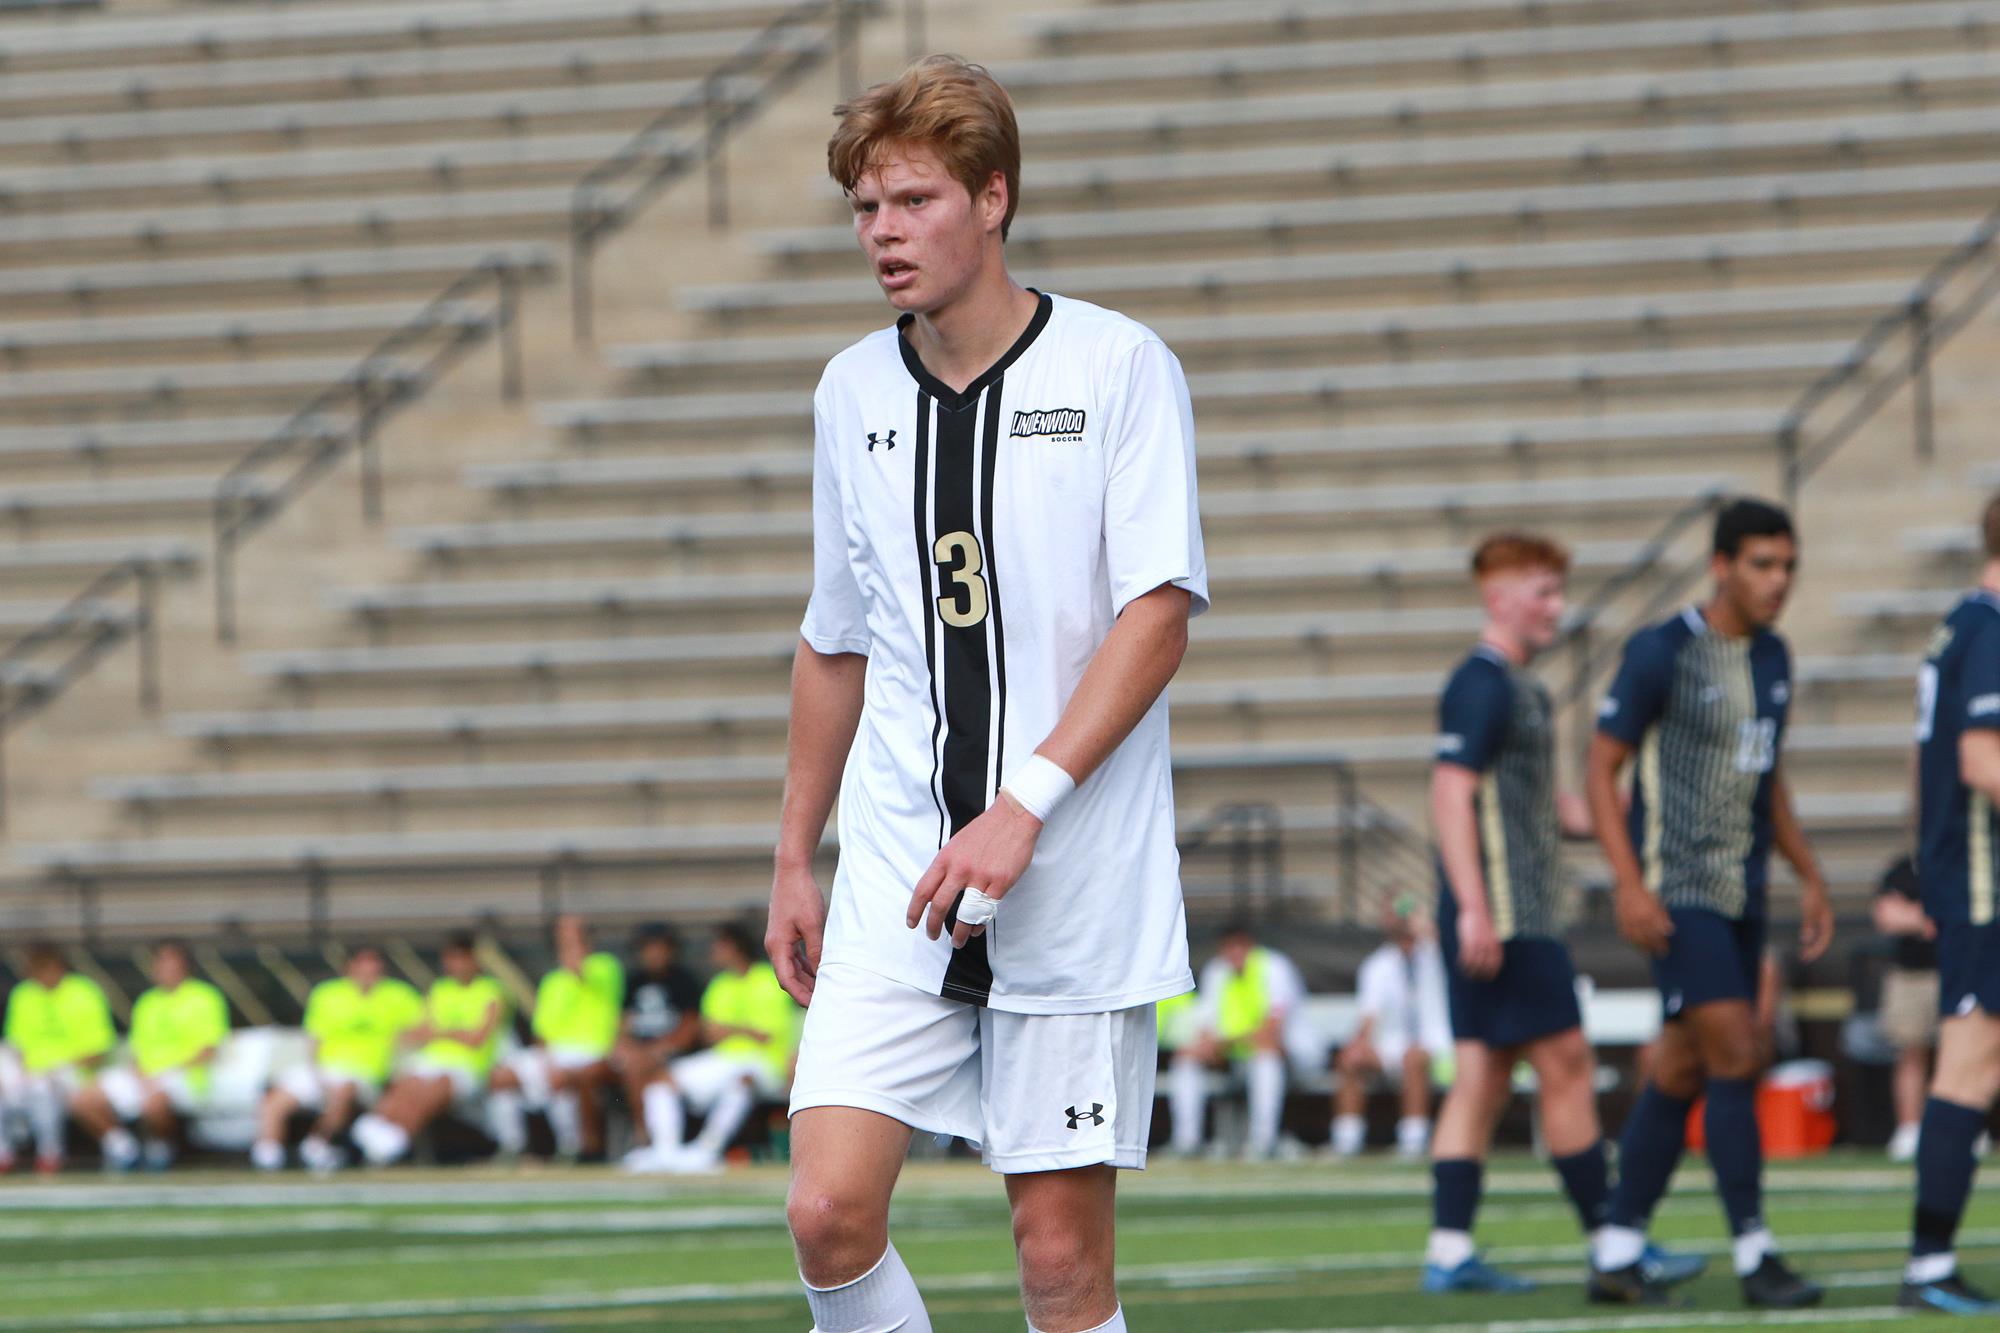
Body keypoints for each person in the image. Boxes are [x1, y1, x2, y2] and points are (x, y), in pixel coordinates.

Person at [766, 55, 1208, 1333]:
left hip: (1073, 876)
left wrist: (1024, 806)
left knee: (1058, 1262)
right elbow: (834, 640)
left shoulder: (1118, 366)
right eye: (865, 207)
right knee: (825, 1211)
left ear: (994, 197)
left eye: (914, 201)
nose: (883, 232)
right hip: (895, 873)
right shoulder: (849, 391)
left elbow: (1157, 615)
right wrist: (794, 855)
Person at [1424, 532, 1705, 1295]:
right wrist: (1475, 908)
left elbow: (1542, 805)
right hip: (1507, 912)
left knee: (1482, 1075)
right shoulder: (1482, 683)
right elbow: (1450, 793)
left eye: (1557, 590)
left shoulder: (1522, 688)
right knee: (1568, 1062)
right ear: (1498, 596)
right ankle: (1612, 1241)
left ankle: (1449, 1251)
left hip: (1511, 907)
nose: (1558, 607)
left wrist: (1629, 815)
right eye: (1542, 591)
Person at [1585, 497, 1834, 1308]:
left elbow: (1769, 776)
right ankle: (1756, 1254)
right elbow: (1600, 767)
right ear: (1721, 565)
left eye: (1788, 565)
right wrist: (1628, 882)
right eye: (1763, 564)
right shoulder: (1663, 650)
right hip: (1678, 889)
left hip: (1743, 890)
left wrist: (1809, 873)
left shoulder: (1774, 656)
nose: (1778, 580)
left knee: (1684, 1065)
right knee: (1738, 1053)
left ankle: (1617, 1248)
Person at [1900, 492, 2000, 1314]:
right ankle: (1928, 1263)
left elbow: (1921, 762)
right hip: (1984, 881)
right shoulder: (1991, 627)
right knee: (1970, 1061)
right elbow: (1980, 759)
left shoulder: (1959, 625)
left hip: (1962, 873)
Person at [625, 924, 798, 1173]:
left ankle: (707, 1150)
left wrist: (729, 1029)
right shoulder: (719, 984)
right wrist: (743, 1029)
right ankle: (666, 1152)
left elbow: (766, 1036)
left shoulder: (768, 978)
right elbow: (709, 1034)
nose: (713, 952)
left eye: (719, 946)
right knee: (661, 1081)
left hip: (766, 1063)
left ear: (735, 948)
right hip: (723, 1060)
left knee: (741, 1082)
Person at [250, 943, 423, 1172]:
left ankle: (316, 1146)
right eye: (362, 964)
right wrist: (317, 1074)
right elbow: (315, 1040)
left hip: (366, 1073)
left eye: (373, 965)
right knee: (275, 1099)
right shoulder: (326, 994)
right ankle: (268, 1155)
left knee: (343, 1090)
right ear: (349, 967)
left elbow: (420, 1032)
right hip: (325, 1068)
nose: (368, 971)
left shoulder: (400, 995)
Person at [349, 932, 507, 1168]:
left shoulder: (491, 991)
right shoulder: (440, 989)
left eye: (461, 958)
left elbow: (477, 1038)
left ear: (473, 960)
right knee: (407, 1086)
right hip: (433, 1059)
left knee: (432, 1090)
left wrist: (440, 1032)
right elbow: (418, 1032)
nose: (456, 965)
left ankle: (388, 1148)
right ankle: (376, 1142)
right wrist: (454, 1033)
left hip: (468, 1066)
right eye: (451, 959)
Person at [73, 941, 230, 1172]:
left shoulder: (205, 997)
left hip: (186, 1074)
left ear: (184, 966)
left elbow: (208, 1051)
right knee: (83, 1098)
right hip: (146, 1073)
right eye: (160, 962)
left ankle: (161, 1147)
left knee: (155, 1101)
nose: (163, 968)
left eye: (169, 962)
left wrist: (163, 1072)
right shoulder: (147, 1002)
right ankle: (122, 1148)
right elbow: (138, 1050)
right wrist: (140, 1073)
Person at [1166, 921, 1306, 1159]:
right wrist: (1206, 1046)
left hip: (1293, 1055)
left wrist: (1223, 1044)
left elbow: (1272, 1033)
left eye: (1241, 946)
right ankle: (1186, 1142)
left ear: (1252, 946)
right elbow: (1207, 1025)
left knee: (1266, 1059)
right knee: (1185, 1060)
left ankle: (1263, 1143)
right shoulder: (1216, 971)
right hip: (1236, 1055)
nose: (1235, 953)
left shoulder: (1275, 967)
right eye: (1229, 947)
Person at [489, 916, 624, 1161]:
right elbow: (542, 1033)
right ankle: (511, 1147)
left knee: (560, 1077)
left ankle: (571, 1148)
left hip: (591, 1050)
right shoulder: (551, 981)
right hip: (555, 1052)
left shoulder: (605, 966)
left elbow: (580, 970)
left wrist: (575, 943)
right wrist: (546, 1060)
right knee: (501, 1077)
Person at [1332, 897, 1451, 1159]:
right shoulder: (1377, 965)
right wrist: (1359, 1045)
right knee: (1350, 1060)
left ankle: (1414, 1138)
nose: (1401, 922)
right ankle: (1347, 1139)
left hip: (1441, 1046)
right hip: (1394, 1045)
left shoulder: (1437, 954)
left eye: (1405, 915)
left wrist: (1422, 923)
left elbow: (1446, 940)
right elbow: (1369, 1016)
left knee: (1413, 1057)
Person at [0, 943, 117, 1173]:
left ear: (59, 967)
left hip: (73, 1071)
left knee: (43, 1086)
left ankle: (50, 1153)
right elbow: (16, 1044)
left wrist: (57, 1067)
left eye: (46, 968)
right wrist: (21, 1073)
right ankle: (5, 1152)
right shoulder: (23, 994)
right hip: (31, 1070)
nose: (42, 976)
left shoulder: (84, 991)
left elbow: (99, 1049)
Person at [614, 922, 705, 1149]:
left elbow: (690, 1027)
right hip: (638, 1053)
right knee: (628, 1064)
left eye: (659, 948)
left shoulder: (684, 981)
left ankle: (643, 1134)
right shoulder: (634, 981)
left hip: (671, 1052)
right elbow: (623, 1024)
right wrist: (625, 1046)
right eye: (648, 948)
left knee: (637, 1068)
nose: (654, 954)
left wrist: (661, 1048)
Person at [1874, 854, 1938, 1162]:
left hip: (1957, 971)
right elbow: (1887, 917)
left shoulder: (1960, 861)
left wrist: (1913, 913)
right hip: (1910, 975)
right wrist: (1932, 917)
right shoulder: (1901, 870)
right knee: (1910, 1053)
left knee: (1961, 1055)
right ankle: (1910, 1128)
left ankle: (1962, 1127)